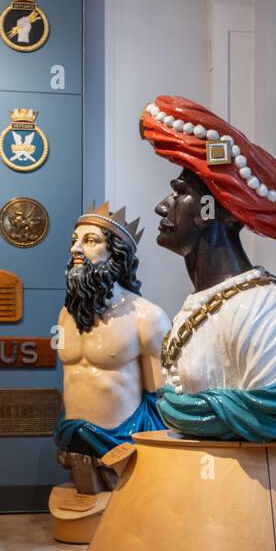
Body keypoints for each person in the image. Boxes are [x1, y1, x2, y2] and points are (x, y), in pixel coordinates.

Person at [140, 96, 276, 440]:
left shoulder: (261, 309)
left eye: (178, 193)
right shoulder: (204, 305)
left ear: (210, 210)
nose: (162, 207)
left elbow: (274, 429)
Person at [54, 203, 168, 491]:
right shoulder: (66, 314)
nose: (75, 249)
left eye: (90, 241)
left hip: (123, 447)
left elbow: (161, 396)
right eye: (74, 240)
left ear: (116, 255)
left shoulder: (147, 316)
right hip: (73, 441)